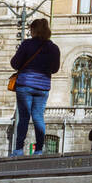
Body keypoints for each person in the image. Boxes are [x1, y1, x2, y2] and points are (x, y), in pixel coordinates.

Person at [9, 18, 61, 156]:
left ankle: (19, 149)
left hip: (25, 84)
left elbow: (15, 64)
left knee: (24, 117)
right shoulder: (54, 48)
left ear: (33, 30)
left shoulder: (27, 44)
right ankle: (38, 150)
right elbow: (55, 69)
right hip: (43, 86)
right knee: (38, 117)